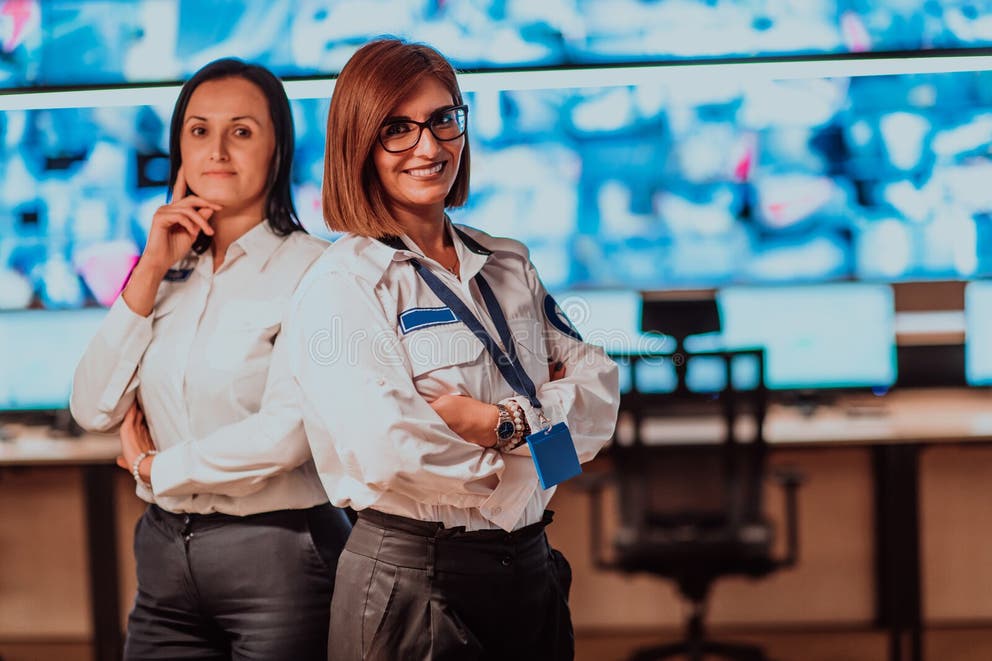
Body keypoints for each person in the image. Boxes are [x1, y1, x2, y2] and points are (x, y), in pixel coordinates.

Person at [285, 39, 620, 660]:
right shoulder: (345, 284)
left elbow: (599, 388)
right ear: (359, 142)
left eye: (443, 119)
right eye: (398, 129)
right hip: (414, 579)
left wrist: (499, 424)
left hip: (529, 568)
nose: (430, 146)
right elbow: (391, 451)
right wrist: (545, 446)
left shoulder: (508, 262)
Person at [70, 58, 351, 661]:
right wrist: (147, 269)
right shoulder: (167, 274)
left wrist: (154, 471)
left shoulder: (318, 269)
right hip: (165, 555)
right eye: (199, 130)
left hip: (281, 557)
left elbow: (286, 436)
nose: (217, 149)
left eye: (242, 131)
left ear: (278, 152)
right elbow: (93, 407)